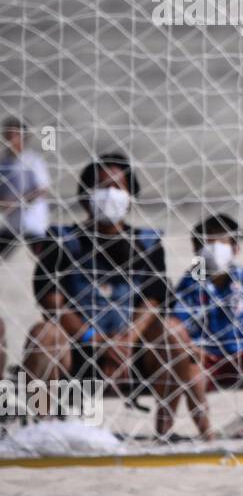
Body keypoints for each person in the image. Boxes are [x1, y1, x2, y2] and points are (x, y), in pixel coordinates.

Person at [25, 153, 212, 439]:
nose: (111, 194)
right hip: (78, 348)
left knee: (174, 331)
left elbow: (155, 298)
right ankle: (42, 427)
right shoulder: (62, 240)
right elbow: (51, 303)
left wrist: (126, 340)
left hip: (133, 351)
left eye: (118, 187)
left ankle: (164, 428)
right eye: (103, 187)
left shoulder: (146, 243)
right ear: (85, 195)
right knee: (42, 334)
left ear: (130, 195)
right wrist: (94, 340)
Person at [174, 213, 243, 436]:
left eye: (222, 242)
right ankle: (208, 436)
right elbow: (179, 321)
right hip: (205, 357)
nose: (215, 248)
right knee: (193, 380)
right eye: (208, 242)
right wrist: (192, 349)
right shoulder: (190, 281)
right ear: (196, 250)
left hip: (241, 355)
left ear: (235, 249)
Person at [0, 117, 51, 259]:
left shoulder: (34, 160)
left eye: (14, 135)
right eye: (7, 135)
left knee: (43, 260)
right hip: (12, 224)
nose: (10, 139)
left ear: (23, 136)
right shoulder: (3, 163)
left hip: (34, 224)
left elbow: (42, 190)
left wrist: (16, 202)